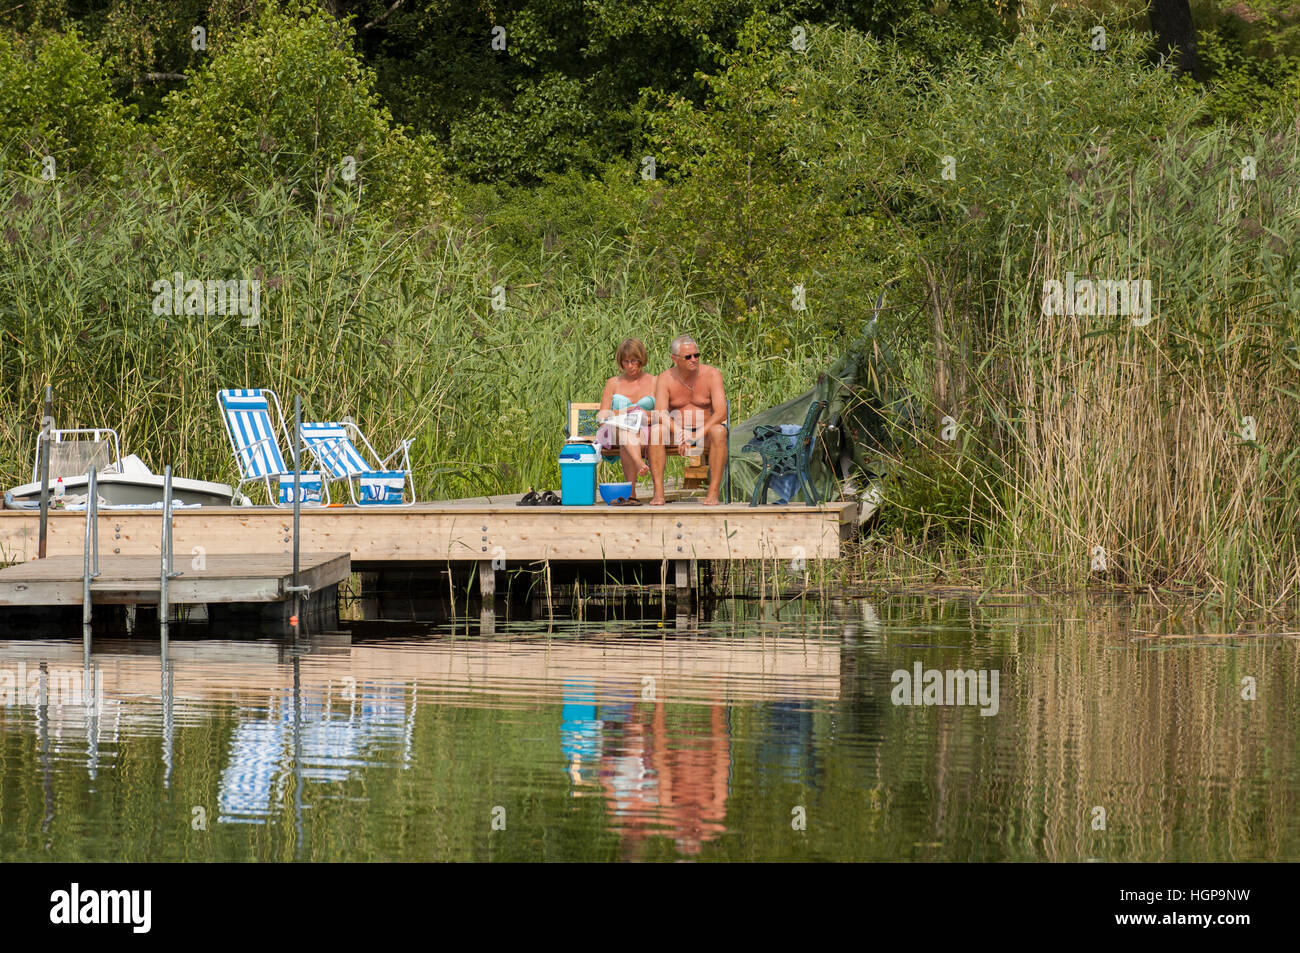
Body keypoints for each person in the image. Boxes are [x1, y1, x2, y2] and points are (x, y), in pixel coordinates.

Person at [648, 335, 728, 506]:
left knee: (720, 431)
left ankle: (713, 492)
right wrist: (680, 432)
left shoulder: (712, 374)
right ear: (675, 359)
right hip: (676, 430)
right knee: (656, 432)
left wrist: (697, 433)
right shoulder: (665, 378)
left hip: (704, 431)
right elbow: (660, 412)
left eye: (696, 355)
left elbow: (721, 413)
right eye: (688, 357)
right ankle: (659, 493)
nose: (694, 359)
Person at [596, 338, 657, 499]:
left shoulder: (654, 382)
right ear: (621, 362)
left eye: (634, 361)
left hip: (644, 429)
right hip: (616, 428)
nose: (630, 366)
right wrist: (621, 414)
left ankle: (631, 494)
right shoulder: (613, 383)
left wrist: (643, 416)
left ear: (641, 359)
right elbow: (603, 414)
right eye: (626, 362)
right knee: (624, 429)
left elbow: (663, 413)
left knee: (628, 438)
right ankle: (639, 464)